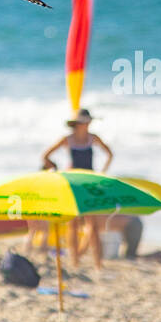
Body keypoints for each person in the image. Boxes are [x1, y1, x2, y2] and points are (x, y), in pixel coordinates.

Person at [41, 108, 113, 270]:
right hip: (72, 183)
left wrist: (102, 173)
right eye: (85, 122)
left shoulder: (92, 138)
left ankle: (97, 262)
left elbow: (110, 154)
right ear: (79, 124)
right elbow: (45, 157)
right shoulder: (68, 139)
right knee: (72, 224)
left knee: (92, 225)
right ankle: (74, 261)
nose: (88, 125)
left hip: (89, 183)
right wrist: (55, 171)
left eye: (88, 122)